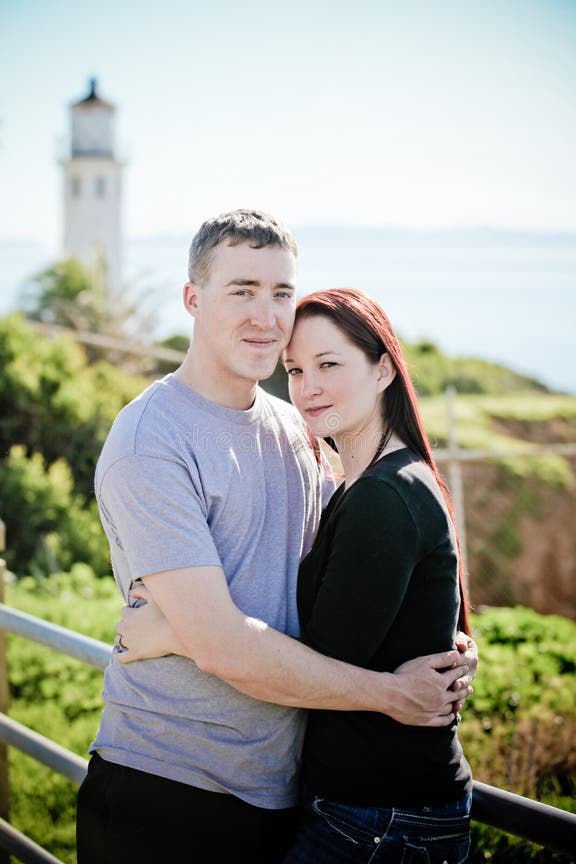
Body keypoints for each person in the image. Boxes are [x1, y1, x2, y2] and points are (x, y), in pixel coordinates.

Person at [76, 209, 476, 864]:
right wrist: (395, 693)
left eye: (281, 292)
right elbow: (225, 648)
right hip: (168, 790)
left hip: (282, 796)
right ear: (192, 299)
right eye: (243, 290)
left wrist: (447, 644)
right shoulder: (151, 442)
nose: (267, 316)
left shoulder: (296, 429)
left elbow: (360, 572)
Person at [278, 287, 474, 862]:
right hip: (376, 811)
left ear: (384, 369)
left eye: (329, 364)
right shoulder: (367, 485)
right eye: (294, 369)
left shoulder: (385, 496)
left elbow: (318, 666)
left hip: (379, 819)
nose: (307, 386)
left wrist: (182, 634)